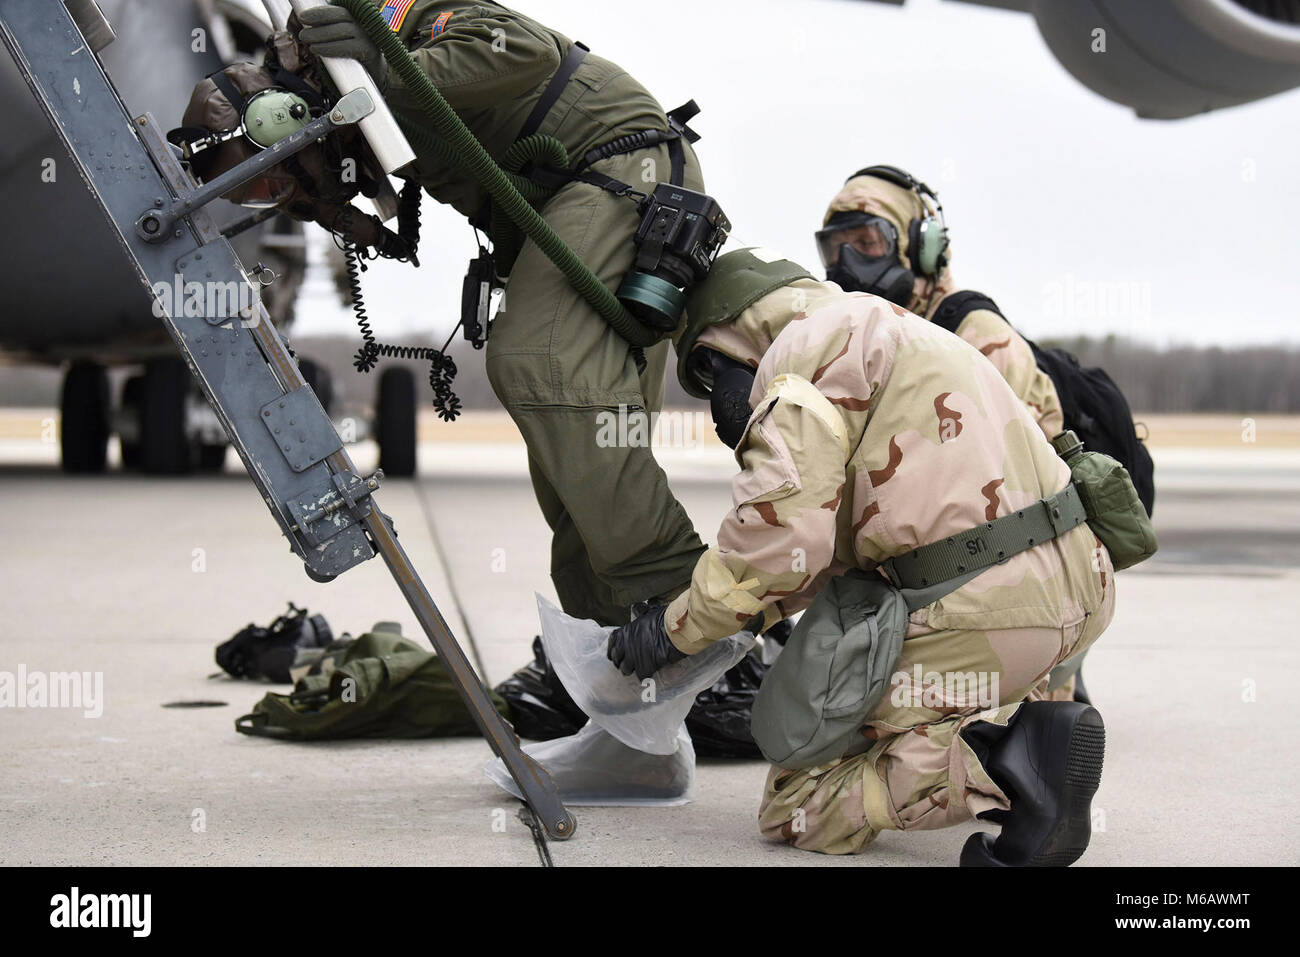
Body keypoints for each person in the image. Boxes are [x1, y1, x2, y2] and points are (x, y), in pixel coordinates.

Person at [607, 248, 1117, 864]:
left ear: (727, 340)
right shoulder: (894, 326)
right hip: (1080, 590)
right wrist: (733, 622)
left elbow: (777, 547)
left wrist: (670, 633)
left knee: (797, 802)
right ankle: (1028, 734)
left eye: (712, 375)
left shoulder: (798, 362)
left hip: (991, 612)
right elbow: (819, 549)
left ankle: (1002, 762)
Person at [291, 1, 711, 627]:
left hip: (618, 172)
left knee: (542, 365)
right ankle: (609, 643)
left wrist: (385, 61)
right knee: (575, 445)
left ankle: (685, 616)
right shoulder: (352, 73)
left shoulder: (415, 16)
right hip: (569, 205)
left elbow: (523, 50)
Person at [817, 165, 1065, 442]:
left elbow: (1015, 466)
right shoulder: (860, 340)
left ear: (918, 247)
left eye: (866, 242)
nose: (848, 263)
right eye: (837, 247)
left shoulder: (978, 334)